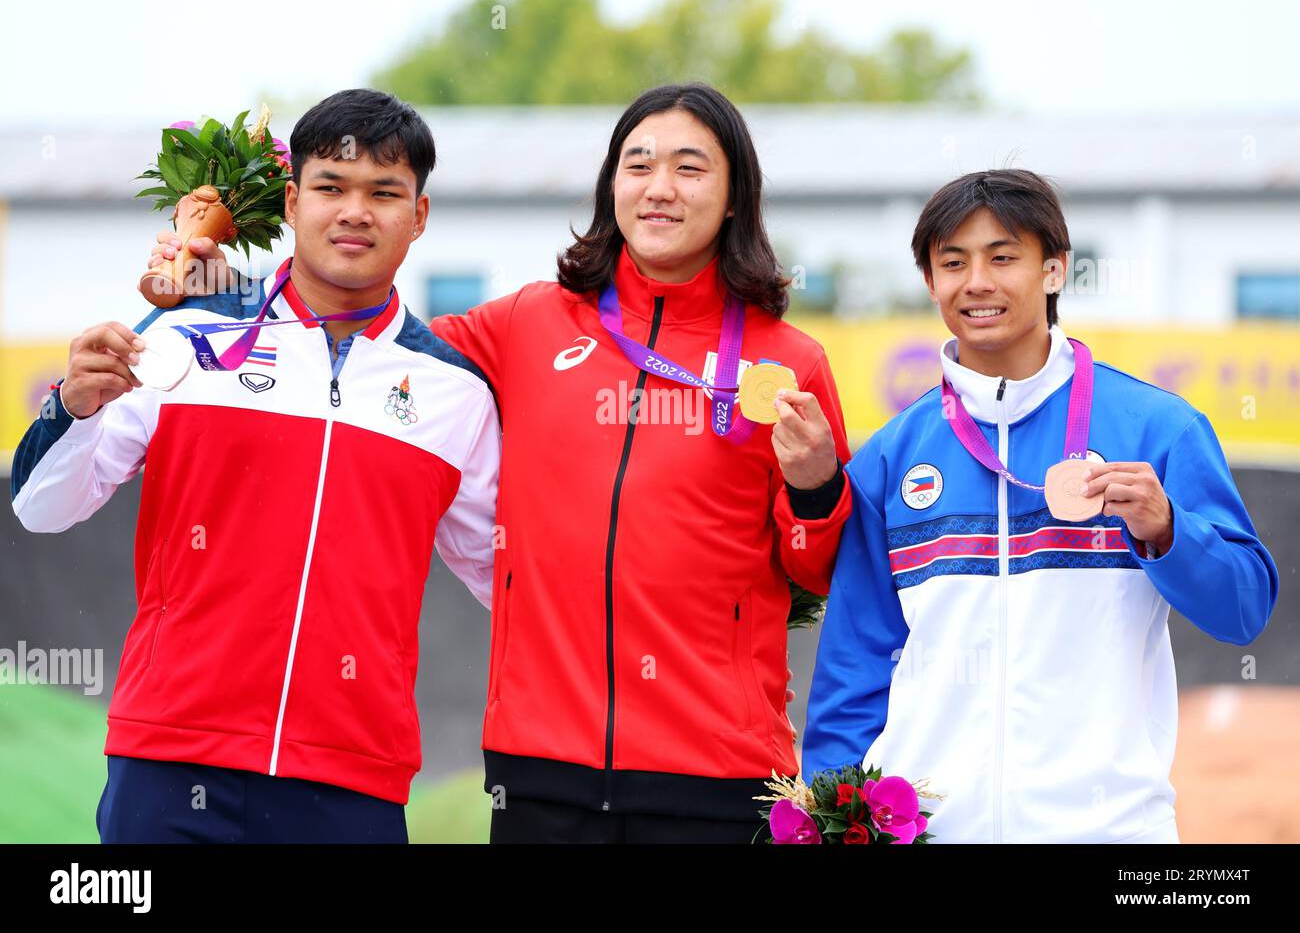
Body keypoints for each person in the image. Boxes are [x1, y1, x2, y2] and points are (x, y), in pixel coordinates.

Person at [10, 88, 500, 843]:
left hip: (352, 777)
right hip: (170, 762)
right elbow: (41, 507)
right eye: (331, 188)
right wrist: (72, 406)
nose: (355, 211)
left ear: (420, 215)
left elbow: (504, 578)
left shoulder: (456, 393)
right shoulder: (187, 335)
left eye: (384, 192)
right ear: (294, 198)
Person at [802, 168, 1279, 843]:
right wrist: (833, 817)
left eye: (1003, 258)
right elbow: (855, 661)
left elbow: (1243, 609)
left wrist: (1168, 530)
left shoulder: (1157, 428)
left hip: (1110, 830)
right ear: (930, 282)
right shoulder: (890, 457)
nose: (977, 282)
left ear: (1056, 270)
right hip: (931, 831)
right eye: (953, 263)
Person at [430, 83, 854, 843]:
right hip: (537, 766)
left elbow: (819, 573)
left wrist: (818, 487)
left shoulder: (789, 362)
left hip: (716, 775)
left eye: (690, 168)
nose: (659, 188)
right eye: (638, 164)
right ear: (611, 185)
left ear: (733, 199)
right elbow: (378, 347)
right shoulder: (526, 321)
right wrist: (213, 294)